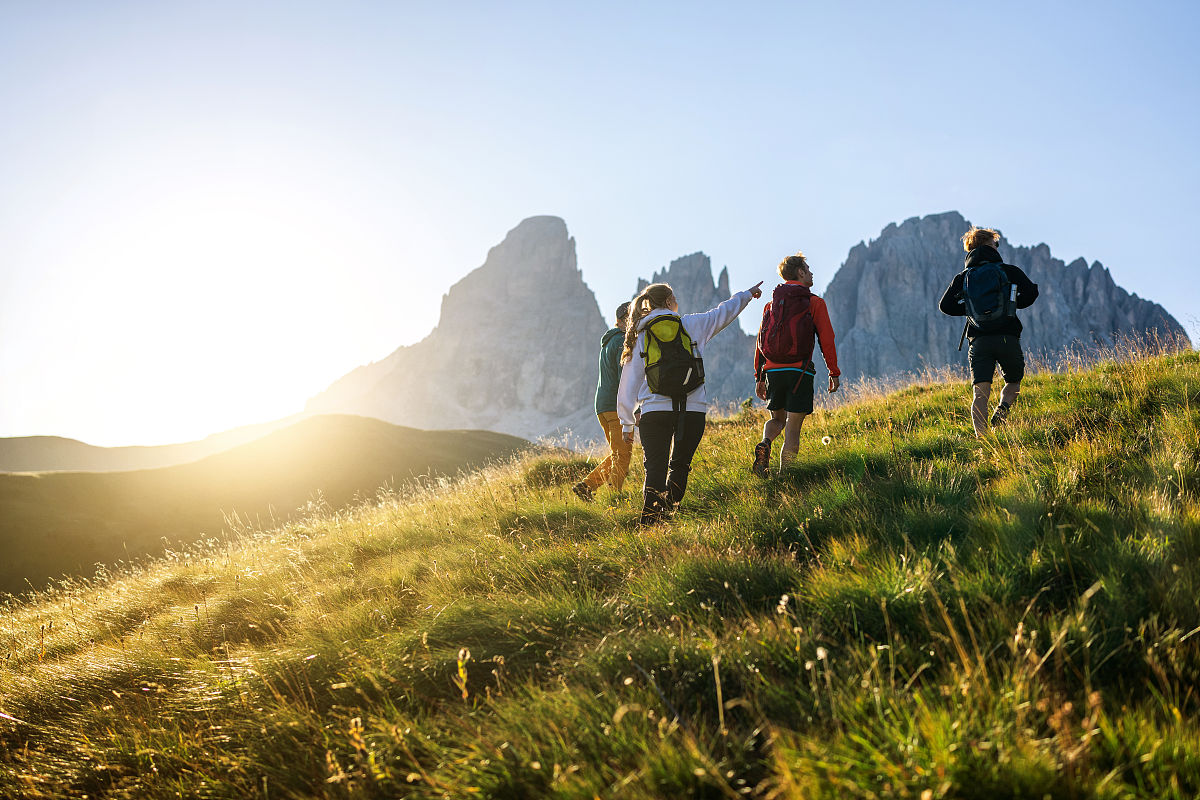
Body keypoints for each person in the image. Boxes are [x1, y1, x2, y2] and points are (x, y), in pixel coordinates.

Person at [617, 280, 762, 525]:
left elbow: (628, 381)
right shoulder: (691, 324)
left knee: (655, 470)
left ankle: (650, 526)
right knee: (680, 465)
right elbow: (723, 313)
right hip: (692, 410)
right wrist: (746, 295)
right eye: (675, 298)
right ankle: (669, 513)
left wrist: (627, 423)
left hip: (654, 412)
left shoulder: (640, 334)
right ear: (668, 302)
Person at [938, 226, 1039, 436]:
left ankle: (982, 442)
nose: (997, 246)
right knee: (1013, 382)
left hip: (979, 340)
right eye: (996, 243)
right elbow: (1030, 294)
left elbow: (945, 306)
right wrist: (1011, 305)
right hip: (1007, 336)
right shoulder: (1009, 271)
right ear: (988, 245)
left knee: (980, 394)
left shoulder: (963, 278)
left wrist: (970, 310)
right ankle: (1002, 409)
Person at [751, 252, 841, 476]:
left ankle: (765, 442)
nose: (811, 273)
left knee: (777, 420)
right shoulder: (814, 302)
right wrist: (833, 371)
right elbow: (826, 339)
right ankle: (785, 479)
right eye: (808, 270)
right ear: (800, 272)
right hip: (799, 371)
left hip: (773, 371)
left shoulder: (771, 305)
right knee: (792, 430)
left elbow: (760, 341)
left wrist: (760, 377)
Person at [573, 302, 633, 501]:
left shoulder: (609, 341)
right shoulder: (622, 342)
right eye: (636, 316)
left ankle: (587, 486)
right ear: (625, 320)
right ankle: (614, 499)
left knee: (618, 453)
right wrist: (633, 407)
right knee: (623, 456)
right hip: (616, 407)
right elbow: (623, 379)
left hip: (602, 406)